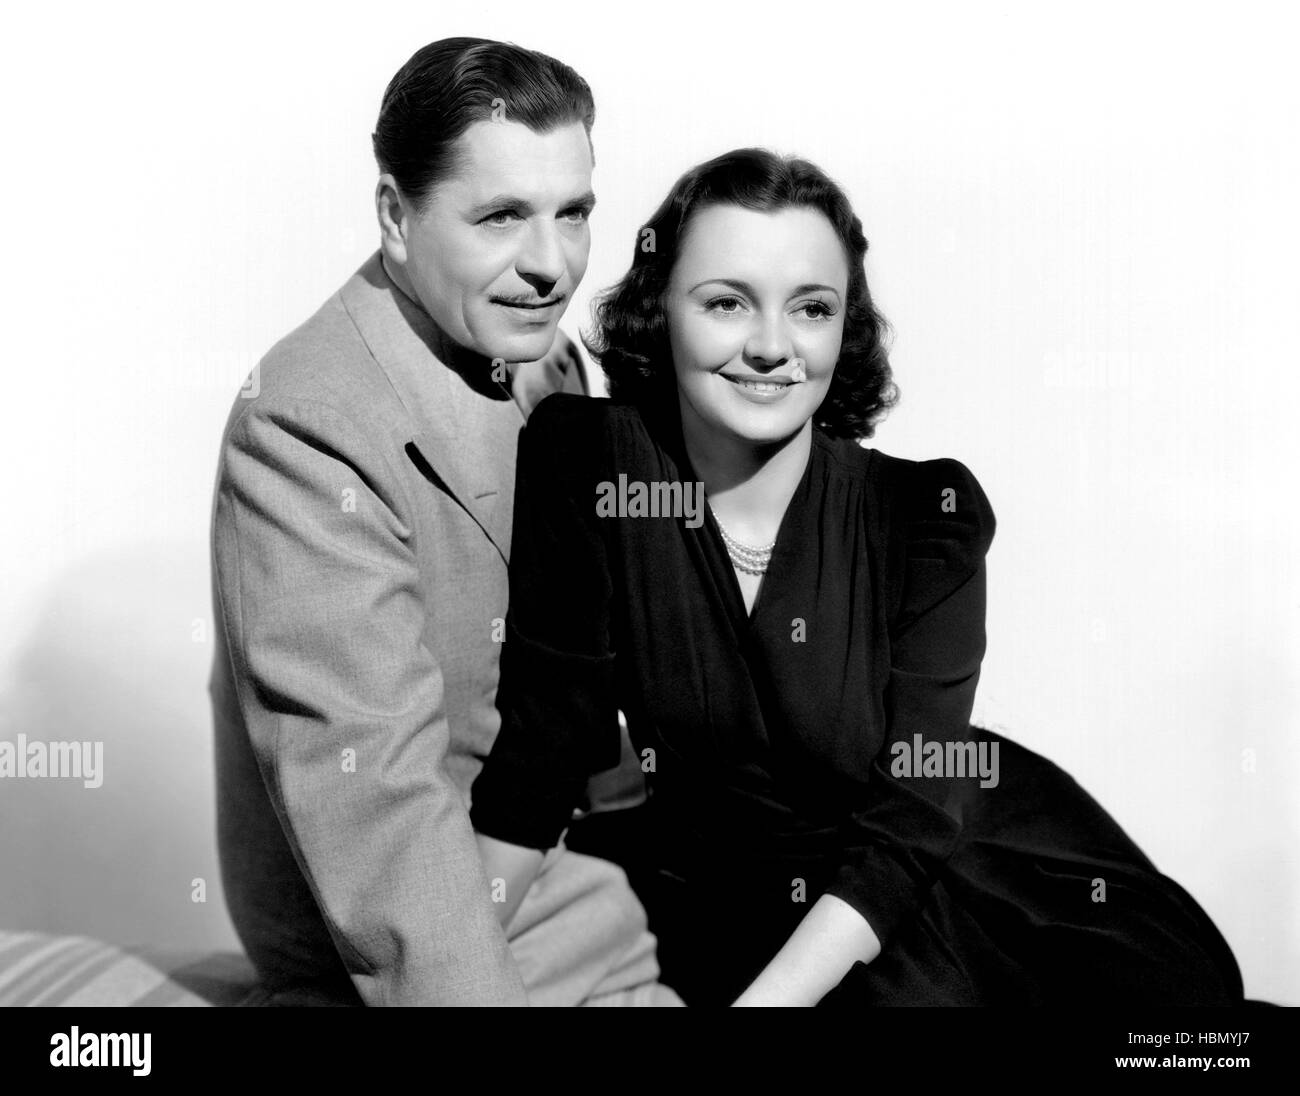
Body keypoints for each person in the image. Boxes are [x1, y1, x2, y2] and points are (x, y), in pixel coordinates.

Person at [470, 148, 1246, 1006]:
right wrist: (443, 950)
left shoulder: (927, 517)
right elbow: (542, 751)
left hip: (945, 870)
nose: (771, 347)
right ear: (663, 311)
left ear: (845, 328)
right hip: (711, 884)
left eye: (811, 309)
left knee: (1181, 1041)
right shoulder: (587, 462)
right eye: (726, 302)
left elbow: (914, 818)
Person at [210, 37, 675, 1006]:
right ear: (395, 214)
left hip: (564, 861)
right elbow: (375, 806)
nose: (551, 267)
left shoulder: (537, 355)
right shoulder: (306, 422)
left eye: (573, 213)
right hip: (423, 923)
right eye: (501, 215)